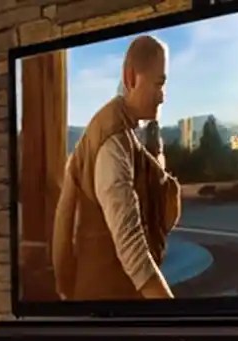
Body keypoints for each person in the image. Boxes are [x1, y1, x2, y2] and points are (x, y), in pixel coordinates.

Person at [51, 35, 182, 301]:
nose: (162, 96)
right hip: (109, 305)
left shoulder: (122, 134)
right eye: (159, 84)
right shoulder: (113, 143)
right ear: (131, 77)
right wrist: (174, 318)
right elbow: (133, 252)